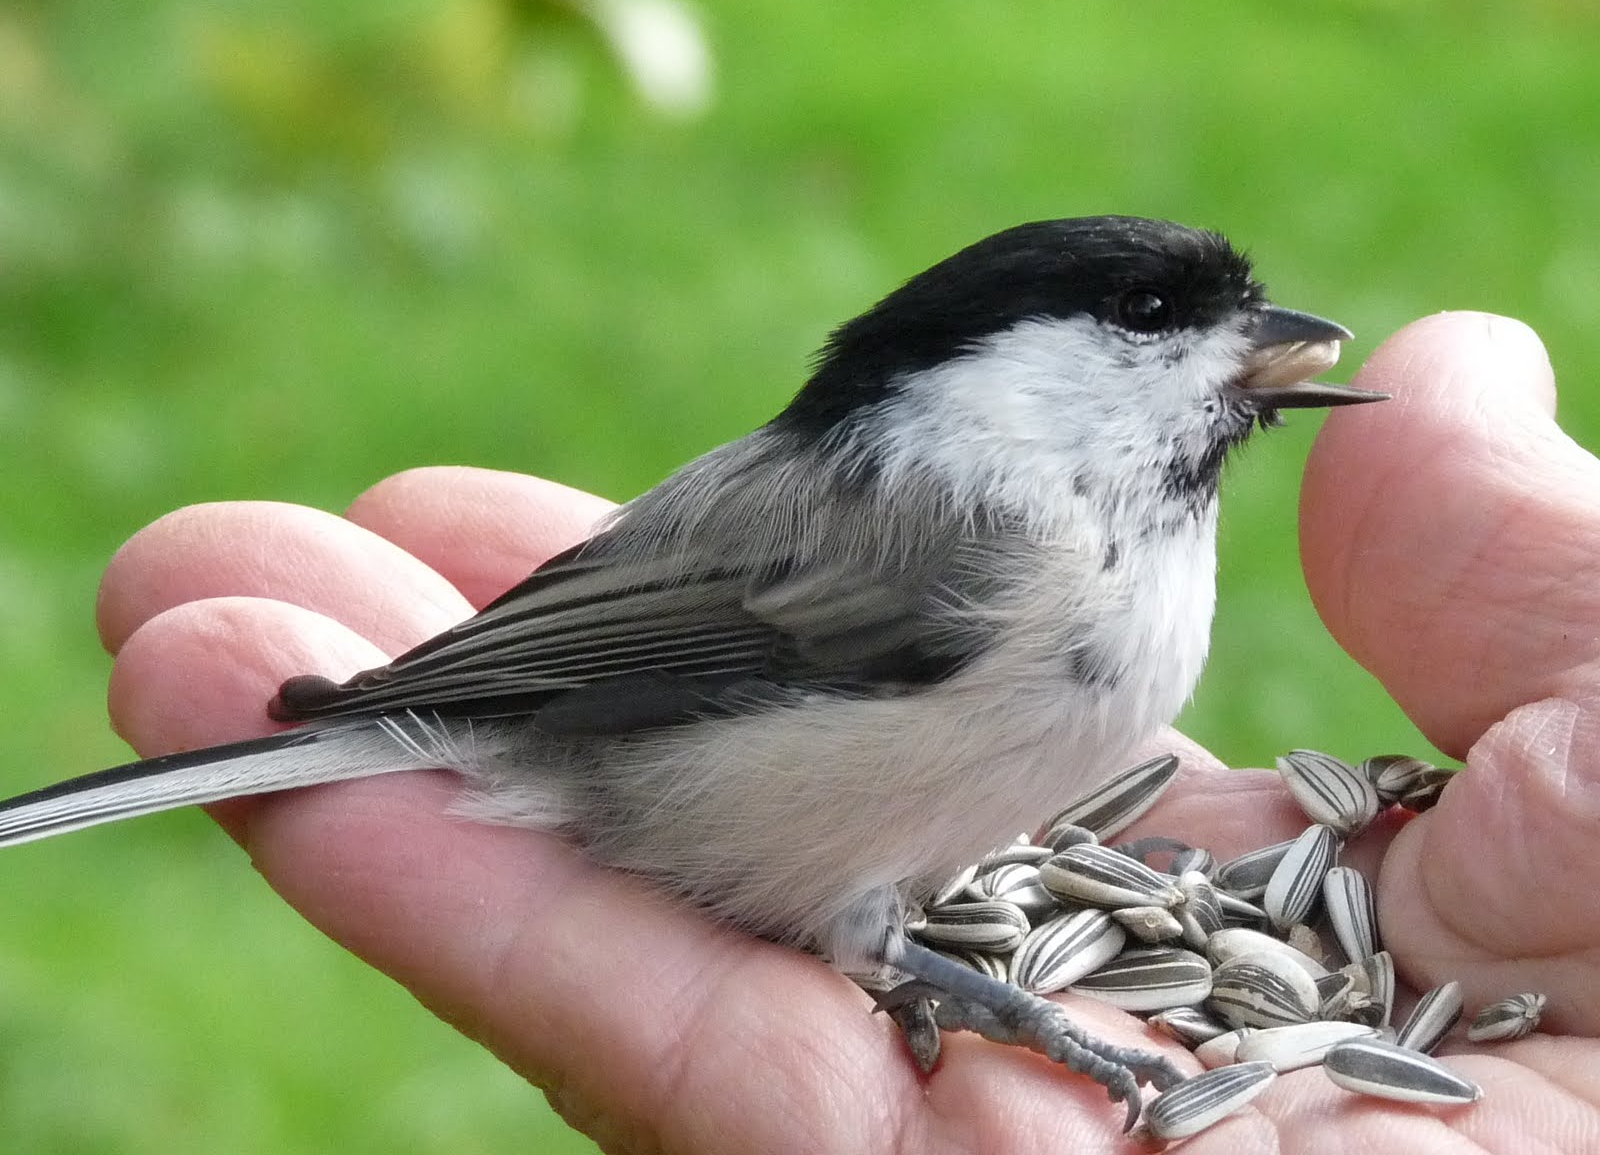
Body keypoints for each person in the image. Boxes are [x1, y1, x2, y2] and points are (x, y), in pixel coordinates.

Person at [96, 312, 1600, 1150]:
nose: (1248, 349)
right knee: (895, 946)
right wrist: (1042, 1014)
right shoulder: (1008, 540)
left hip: (665, 732)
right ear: (1013, 371)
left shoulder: (1080, 544)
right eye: (1160, 323)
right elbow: (645, 641)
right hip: (636, 734)